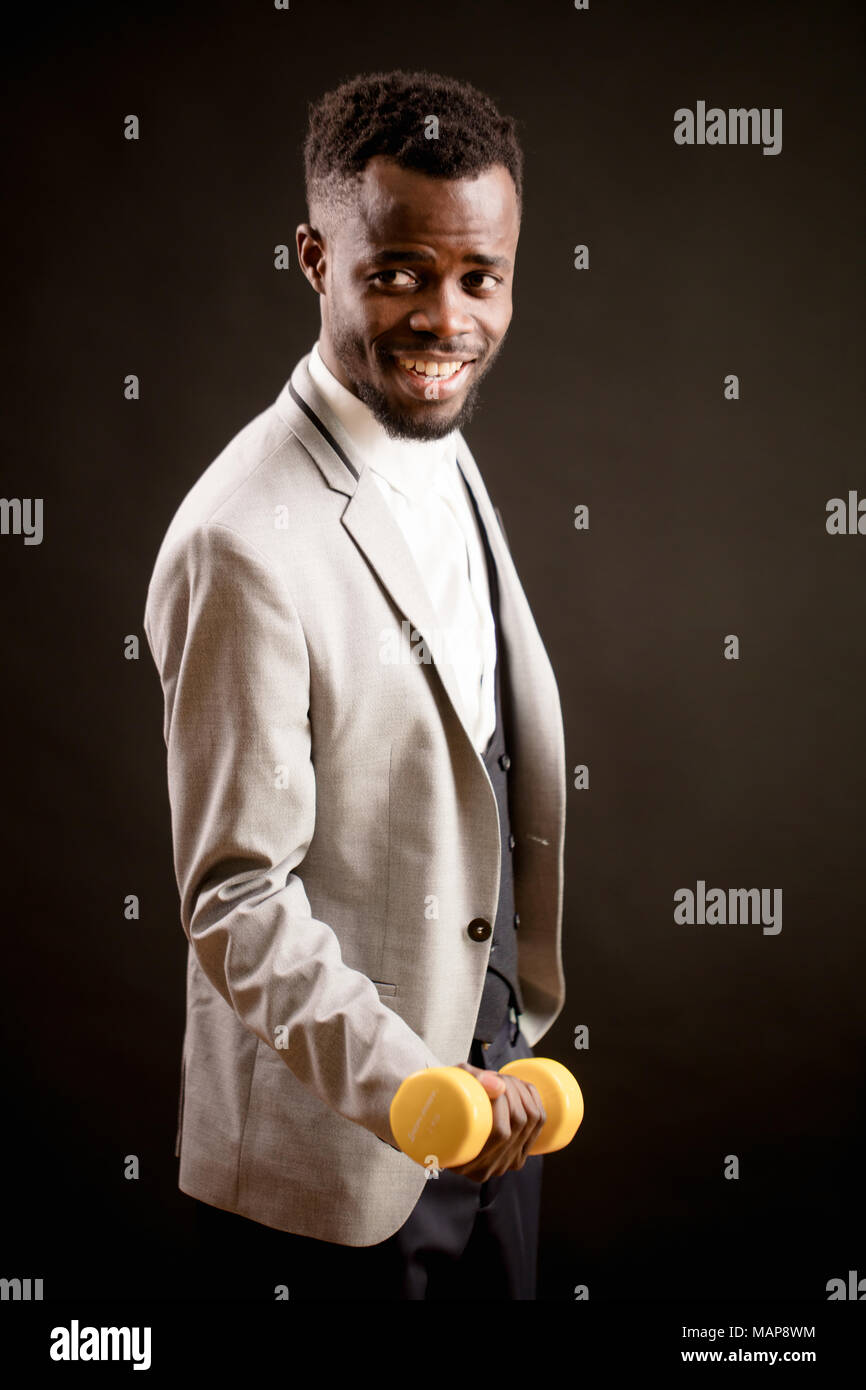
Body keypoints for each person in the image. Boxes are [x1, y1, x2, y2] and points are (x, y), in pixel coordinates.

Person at [143, 68, 567, 1301]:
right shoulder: (240, 541)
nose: (446, 319)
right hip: (334, 1169)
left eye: (478, 278)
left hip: (499, 1102)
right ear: (314, 257)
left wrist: (484, 1075)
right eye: (397, 273)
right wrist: (414, 1094)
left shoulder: (433, 428)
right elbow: (234, 899)